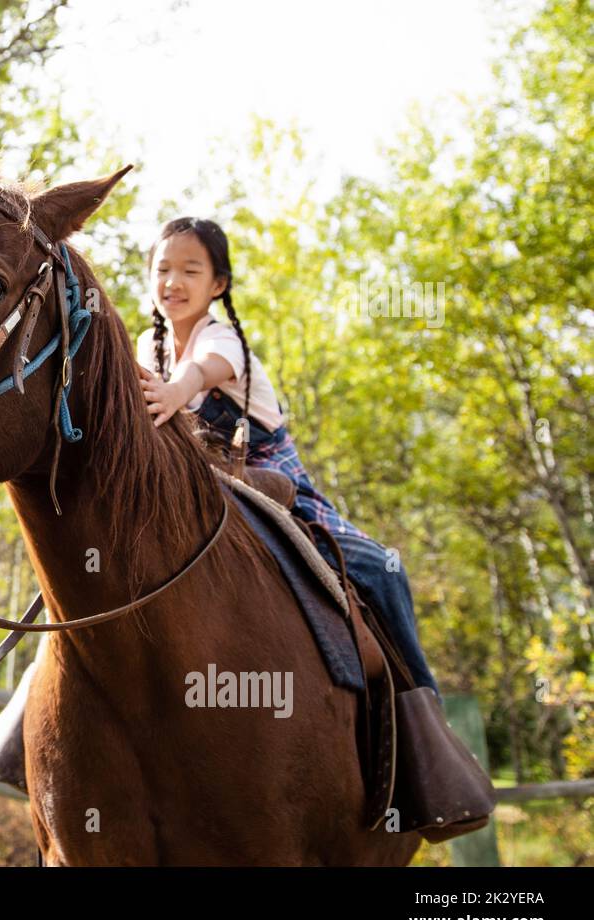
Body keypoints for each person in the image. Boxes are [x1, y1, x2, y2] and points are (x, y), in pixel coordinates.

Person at [136, 216, 440, 696]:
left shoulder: (222, 341)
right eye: (163, 269)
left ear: (218, 285)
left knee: (382, 570)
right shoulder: (146, 350)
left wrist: (176, 390)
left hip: (272, 482)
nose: (173, 282)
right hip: (197, 490)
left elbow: (200, 371)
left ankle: (421, 704)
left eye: (191, 271)